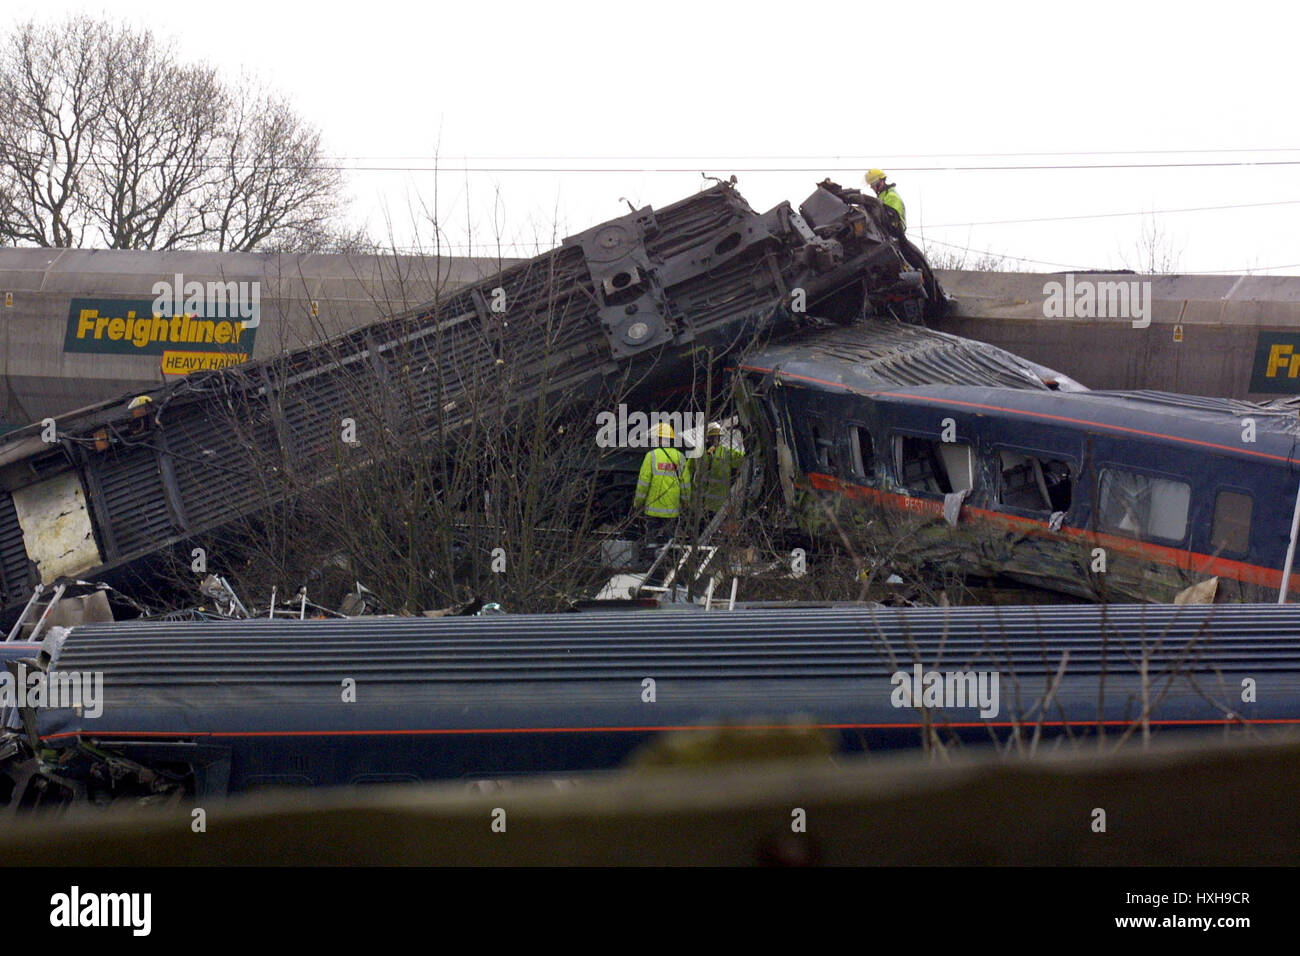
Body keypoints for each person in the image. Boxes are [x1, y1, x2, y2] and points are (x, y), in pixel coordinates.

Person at [633, 422, 690, 545]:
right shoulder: (679, 457)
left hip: (652, 509)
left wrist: (638, 503)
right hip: (672, 509)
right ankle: (667, 561)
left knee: (651, 540)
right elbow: (685, 484)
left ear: (659, 439)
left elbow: (643, 484)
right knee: (669, 542)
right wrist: (685, 503)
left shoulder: (651, 456)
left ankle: (650, 559)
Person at [699, 422, 745, 514]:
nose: (714, 440)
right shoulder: (702, 454)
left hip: (719, 505)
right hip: (704, 503)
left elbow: (742, 459)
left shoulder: (726, 453)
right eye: (712, 437)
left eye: (716, 437)